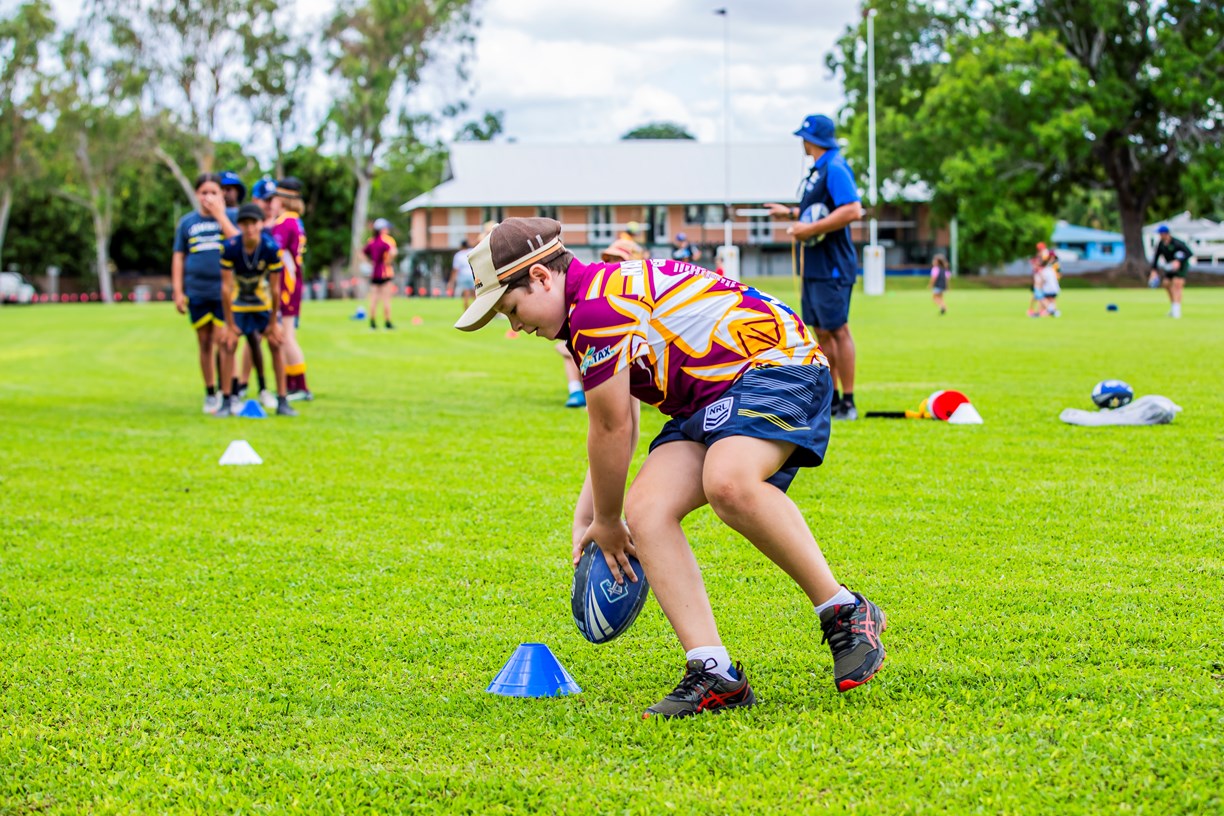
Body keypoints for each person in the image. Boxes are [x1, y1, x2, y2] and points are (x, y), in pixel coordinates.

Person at [455, 217, 887, 718]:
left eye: (511, 309)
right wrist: (593, 516)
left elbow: (613, 430)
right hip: (707, 399)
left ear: (542, 278)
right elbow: (624, 425)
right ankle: (715, 672)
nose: (516, 326)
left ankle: (844, 610)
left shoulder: (597, 309)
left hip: (779, 365)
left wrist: (605, 519)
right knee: (647, 510)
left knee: (728, 481)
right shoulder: (587, 312)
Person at [766, 114, 863, 421]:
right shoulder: (819, 171)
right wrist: (791, 214)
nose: (802, 144)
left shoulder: (834, 167)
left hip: (833, 266)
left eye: (803, 138)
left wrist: (807, 229)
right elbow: (818, 211)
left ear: (813, 140)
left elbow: (852, 209)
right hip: (815, 265)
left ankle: (848, 401)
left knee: (838, 330)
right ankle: (831, 399)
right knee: (821, 331)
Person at [219, 203, 297, 417]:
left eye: (254, 223)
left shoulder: (271, 248)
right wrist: (229, 324)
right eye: (245, 224)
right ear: (239, 225)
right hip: (239, 306)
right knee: (228, 344)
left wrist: (273, 324)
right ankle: (226, 399)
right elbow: (225, 288)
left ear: (261, 224)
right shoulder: (231, 247)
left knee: (276, 343)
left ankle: (282, 400)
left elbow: (275, 289)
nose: (250, 228)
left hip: (263, 306)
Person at [171, 173, 239, 414]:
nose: (208, 197)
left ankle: (228, 392)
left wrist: (220, 215)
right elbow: (179, 256)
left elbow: (238, 242)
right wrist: (178, 291)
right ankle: (210, 392)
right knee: (205, 342)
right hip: (198, 291)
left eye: (213, 192)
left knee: (226, 343)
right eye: (204, 192)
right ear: (196, 195)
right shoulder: (187, 223)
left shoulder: (231, 217)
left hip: (225, 292)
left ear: (222, 195)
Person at [268, 177, 312, 400]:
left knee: (285, 335)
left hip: (286, 285)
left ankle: (299, 387)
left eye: (274, 198)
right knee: (286, 334)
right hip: (291, 284)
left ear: (283, 200)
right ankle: (290, 384)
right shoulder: (295, 221)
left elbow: (274, 253)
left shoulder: (284, 223)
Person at [1149, 225, 1192, 318]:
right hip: (1170, 267)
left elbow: (1189, 253)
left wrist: (1178, 261)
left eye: (1161, 234)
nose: (1160, 235)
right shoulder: (1161, 244)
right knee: (1166, 284)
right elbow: (1156, 258)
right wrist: (1154, 271)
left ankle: (1177, 311)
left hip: (1181, 267)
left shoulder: (1177, 243)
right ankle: (1173, 307)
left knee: (1177, 285)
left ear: (1166, 234)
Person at [364, 218, 397, 329]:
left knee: (373, 299)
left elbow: (362, 252)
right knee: (386, 299)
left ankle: (372, 323)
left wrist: (369, 262)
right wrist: (388, 261)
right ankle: (387, 323)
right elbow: (393, 252)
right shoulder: (388, 240)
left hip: (374, 273)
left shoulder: (371, 240)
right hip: (385, 272)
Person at [451, 239, 476, 309]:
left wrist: (452, 281)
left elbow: (455, 269)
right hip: (472, 275)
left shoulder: (458, 255)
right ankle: (477, 311)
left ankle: (466, 312)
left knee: (466, 296)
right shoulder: (472, 251)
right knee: (474, 295)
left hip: (463, 276)